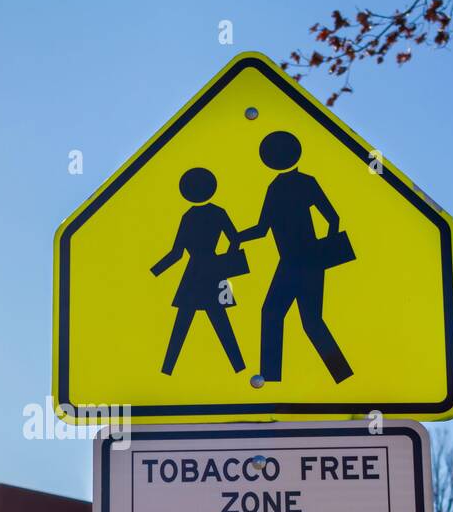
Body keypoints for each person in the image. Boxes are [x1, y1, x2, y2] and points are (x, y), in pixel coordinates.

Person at [236, 130, 354, 384]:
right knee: (297, 318)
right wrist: (237, 236)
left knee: (285, 316)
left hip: (300, 261)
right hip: (297, 261)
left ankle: (276, 380)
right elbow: (330, 218)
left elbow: (331, 217)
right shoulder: (287, 185)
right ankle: (337, 376)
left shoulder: (289, 185)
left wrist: (323, 252)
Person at [150, 167, 247, 376]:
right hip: (214, 270)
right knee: (219, 320)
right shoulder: (218, 212)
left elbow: (177, 253)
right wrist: (225, 262)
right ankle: (239, 367)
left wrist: (156, 271)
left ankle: (167, 369)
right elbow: (235, 238)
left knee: (184, 323)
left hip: (194, 273)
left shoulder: (189, 216)